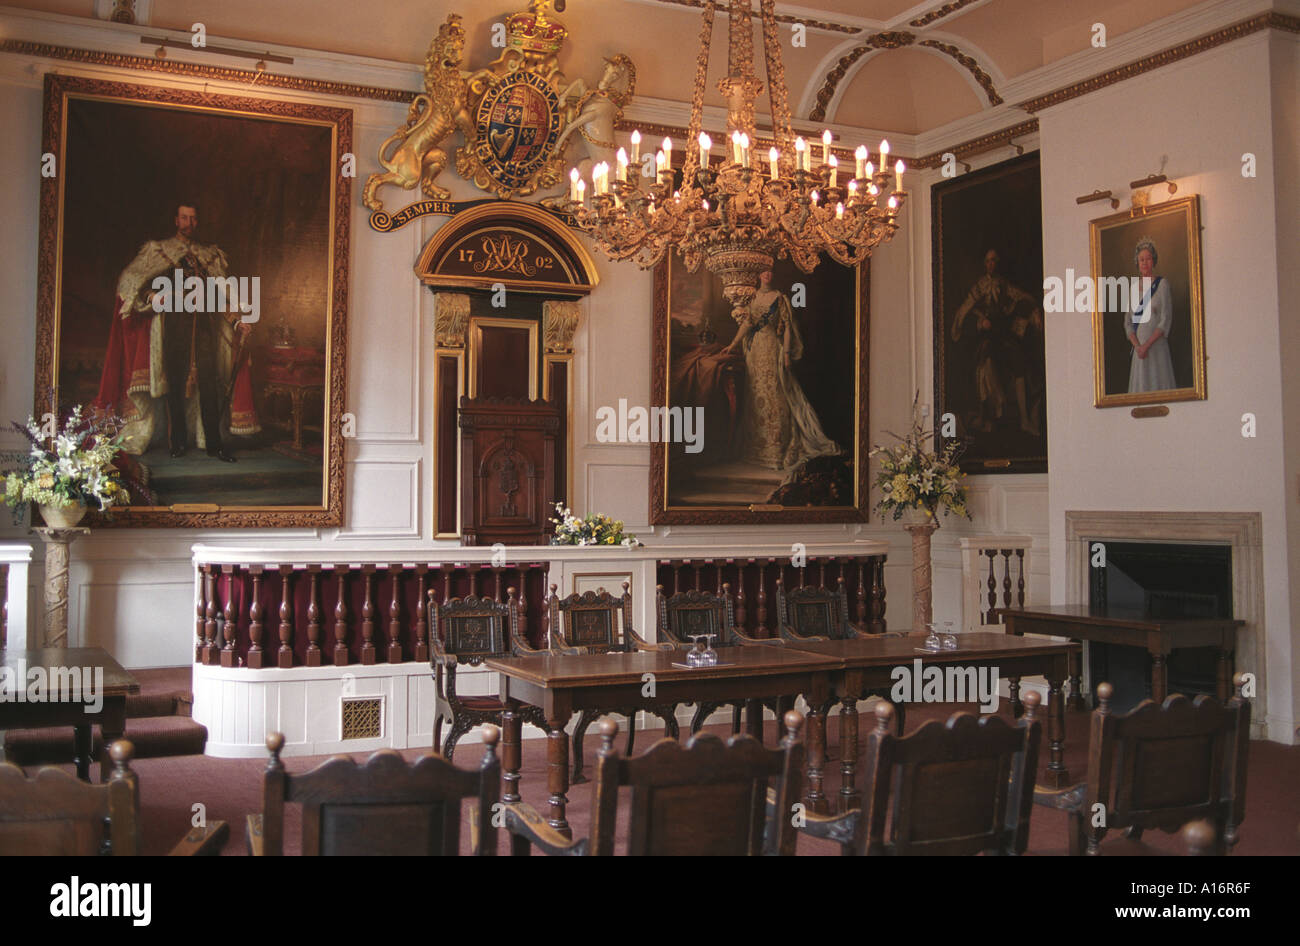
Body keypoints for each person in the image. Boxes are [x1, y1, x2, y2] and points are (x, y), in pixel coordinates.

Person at [96, 202, 258, 460]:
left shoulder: (209, 256)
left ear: (197, 222)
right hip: (173, 327)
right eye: (184, 218)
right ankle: (178, 442)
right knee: (173, 383)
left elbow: (222, 296)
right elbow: (135, 282)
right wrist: (154, 297)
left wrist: (238, 322)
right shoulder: (159, 251)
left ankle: (215, 445)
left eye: (193, 219)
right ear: (176, 220)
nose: (189, 223)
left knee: (209, 385)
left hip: (205, 328)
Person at [721, 270, 840, 472]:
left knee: (775, 396)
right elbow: (747, 325)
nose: (767, 275)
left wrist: (786, 354)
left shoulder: (780, 298)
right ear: (757, 275)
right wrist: (732, 345)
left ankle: (776, 449)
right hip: (755, 352)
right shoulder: (751, 297)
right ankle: (755, 450)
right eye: (763, 272)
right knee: (755, 394)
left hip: (772, 350)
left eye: (769, 272)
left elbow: (786, 329)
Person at [950, 248, 1044, 435]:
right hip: (986, 338)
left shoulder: (1003, 284)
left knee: (1019, 364)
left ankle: (1025, 419)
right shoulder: (979, 286)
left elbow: (1021, 296)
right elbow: (964, 309)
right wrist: (968, 325)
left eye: (994, 260)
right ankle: (991, 413)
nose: (991, 264)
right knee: (986, 365)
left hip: (1001, 335)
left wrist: (1034, 309)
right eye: (988, 261)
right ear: (984, 264)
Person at [1126, 237, 1177, 393]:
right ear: (1137, 263)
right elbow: (1128, 323)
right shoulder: (1133, 288)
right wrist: (1138, 347)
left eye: (1148, 259)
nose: (1144, 262)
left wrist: (1147, 345)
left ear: (1153, 261)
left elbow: (1165, 319)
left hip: (1156, 348)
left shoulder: (1162, 285)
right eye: (1141, 259)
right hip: (1140, 352)